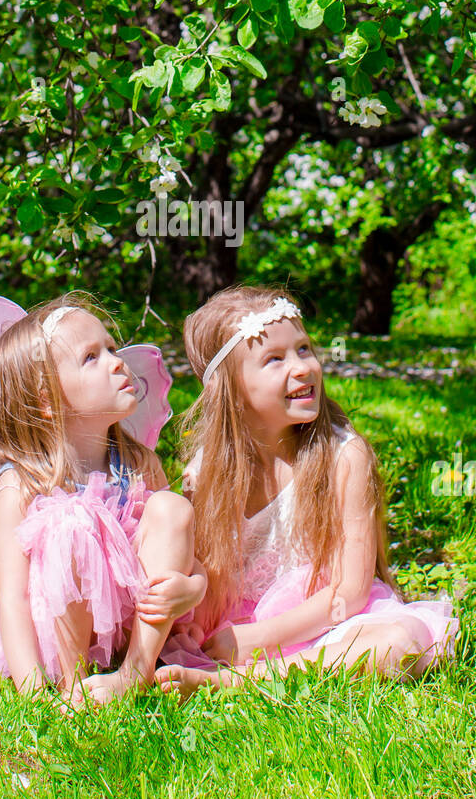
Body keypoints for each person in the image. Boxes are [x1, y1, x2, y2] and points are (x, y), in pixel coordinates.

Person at [0, 294, 205, 708]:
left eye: (112, 348)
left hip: (124, 621)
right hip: (46, 622)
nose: (117, 362)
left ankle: (132, 672)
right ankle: (72, 686)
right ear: (47, 400)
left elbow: (181, 554)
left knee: (172, 507)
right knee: (73, 524)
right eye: (91, 357)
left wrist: (192, 588)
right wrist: (31, 692)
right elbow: (13, 600)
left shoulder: (139, 463)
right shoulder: (22, 486)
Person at [156, 286, 458, 697]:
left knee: (397, 645)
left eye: (303, 349)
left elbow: (349, 594)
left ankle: (233, 684)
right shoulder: (208, 470)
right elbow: (208, 569)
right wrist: (195, 620)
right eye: (274, 359)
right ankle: (241, 673)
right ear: (230, 390)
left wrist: (254, 641)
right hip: (235, 626)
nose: (302, 368)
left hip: (326, 623)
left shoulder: (344, 457)